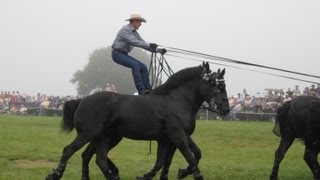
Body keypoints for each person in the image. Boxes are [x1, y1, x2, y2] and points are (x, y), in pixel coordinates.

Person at [111, 13, 167, 95]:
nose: (141, 24)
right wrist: (149, 44)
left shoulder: (135, 33)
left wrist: (158, 50)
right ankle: (141, 90)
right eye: (140, 22)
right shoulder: (125, 29)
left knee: (143, 68)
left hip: (124, 54)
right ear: (134, 21)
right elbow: (134, 42)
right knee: (135, 65)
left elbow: (143, 44)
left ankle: (148, 90)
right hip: (117, 54)